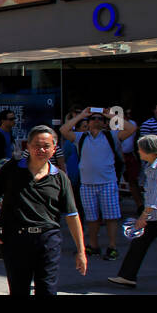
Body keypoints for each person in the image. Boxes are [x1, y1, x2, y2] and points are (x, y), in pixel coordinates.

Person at [0, 125, 86, 295]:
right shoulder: (12, 169)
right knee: (18, 289)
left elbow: (72, 215)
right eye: (37, 145)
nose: (41, 150)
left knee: (47, 289)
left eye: (46, 146)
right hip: (16, 238)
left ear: (54, 149)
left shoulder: (60, 177)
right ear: (28, 147)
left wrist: (81, 251)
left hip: (48, 240)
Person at [60, 106, 135, 261]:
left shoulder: (111, 136)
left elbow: (131, 128)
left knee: (111, 217)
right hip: (87, 184)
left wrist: (110, 115)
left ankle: (112, 246)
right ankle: (93, 246)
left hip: (107, 182)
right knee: (91, 217)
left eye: (98, 118)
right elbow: (63, 130)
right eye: (92, 118)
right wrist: (81, 115)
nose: (95, 121)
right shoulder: (81, 137)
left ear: (104, 122)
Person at [110, 134, 157, 288]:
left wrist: (144, 215)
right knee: (139, 243)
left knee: (140, 243)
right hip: (156, 216)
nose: (138, 151)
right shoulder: (152, 166)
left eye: (140, 148)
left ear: (149, 150)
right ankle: (127, 276)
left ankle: (127, 275)